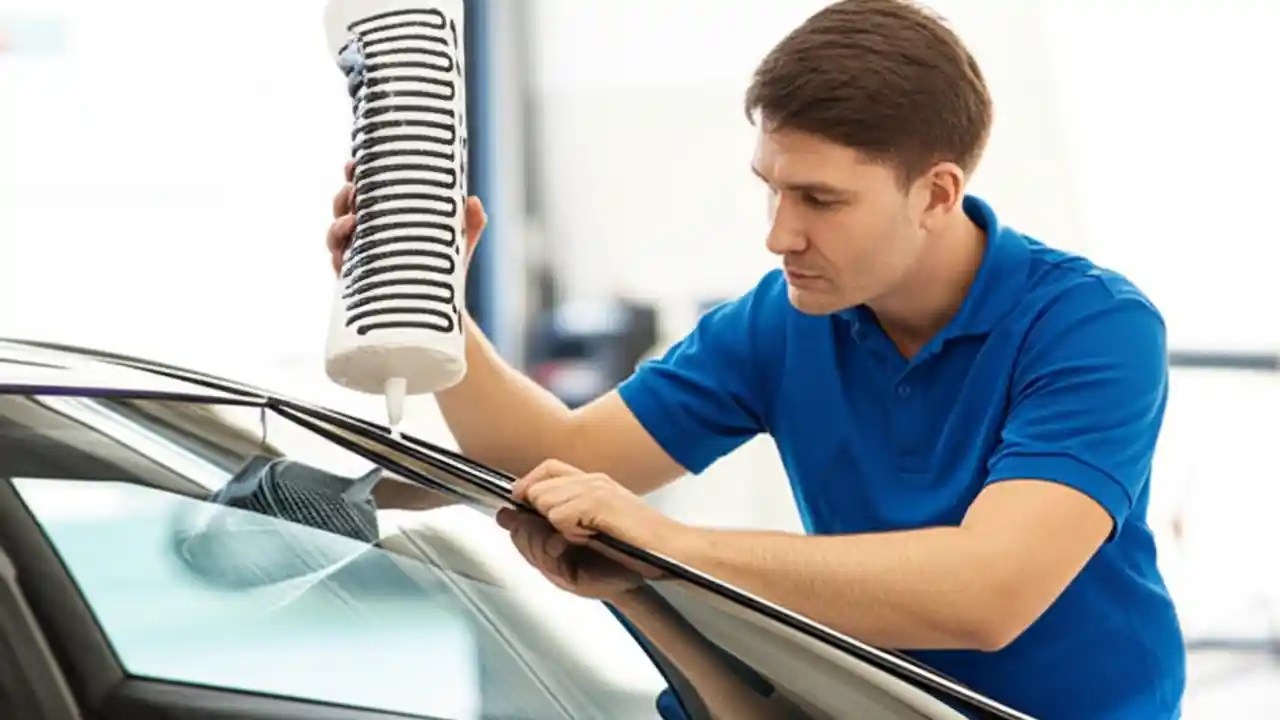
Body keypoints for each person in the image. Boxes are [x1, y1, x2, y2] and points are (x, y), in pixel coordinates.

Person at [326, 1, 1185, 716]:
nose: (779, 234)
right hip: (866, 704)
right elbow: (560, 461)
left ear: (937, 193)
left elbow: (988, 593)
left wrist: (667, 544)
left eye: (820, 199)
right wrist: (430, 302)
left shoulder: (1093, 329)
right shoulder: (785, 318)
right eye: (771, 187)